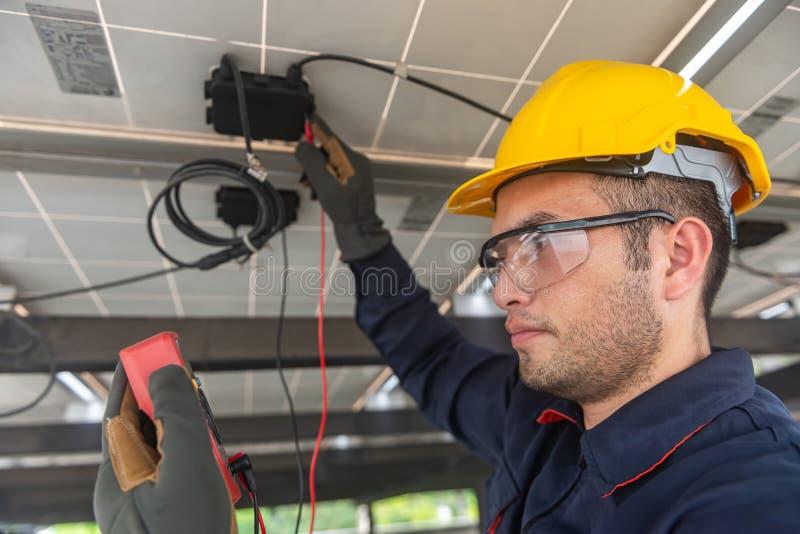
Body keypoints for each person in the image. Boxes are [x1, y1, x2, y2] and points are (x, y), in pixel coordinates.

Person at [94, 60, 800, 532]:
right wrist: (360, 232)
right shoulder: (545, 418)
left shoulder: (754, 499)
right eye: (502, 253)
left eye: (545, 243)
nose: (504, 290)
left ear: (677, 257)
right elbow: (428, 358)